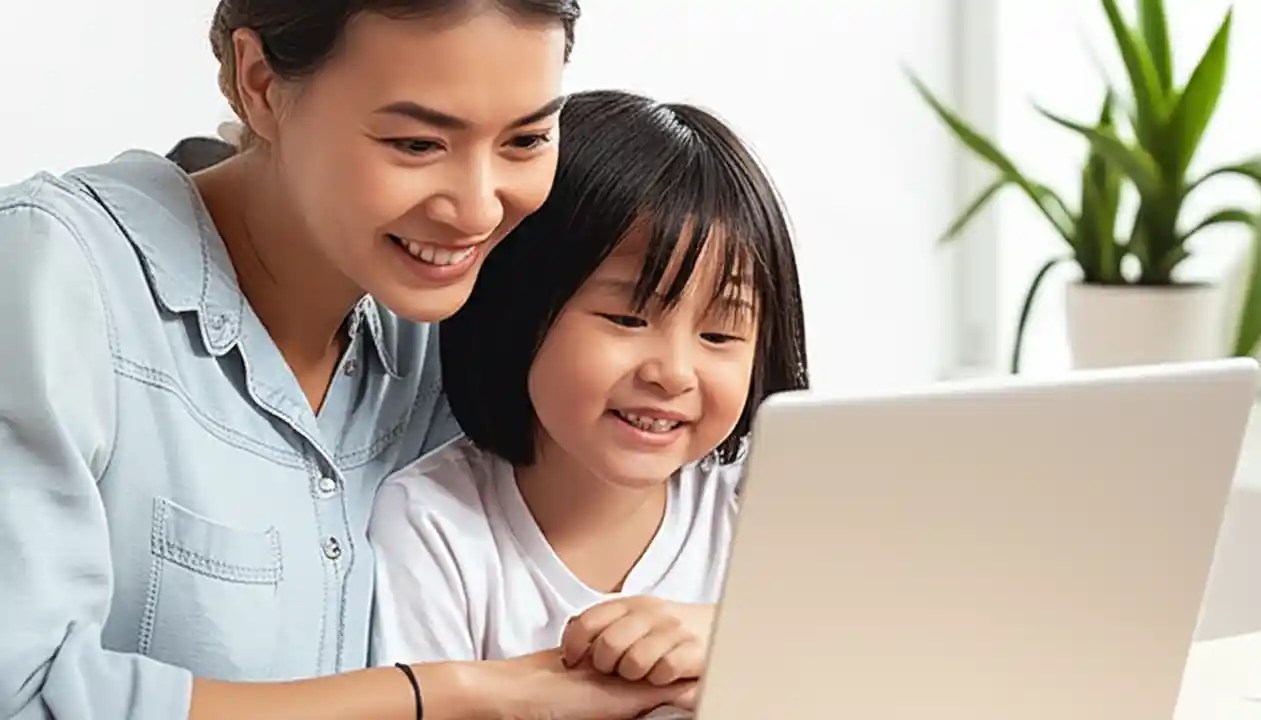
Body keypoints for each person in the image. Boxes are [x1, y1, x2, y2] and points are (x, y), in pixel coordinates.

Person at [0, 2, 697, 718]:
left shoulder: (471, 320)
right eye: (418, 144)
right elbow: (19, 694)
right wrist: (454, 695)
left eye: (525, 140)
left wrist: (721, 632)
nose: (478, 209)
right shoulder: (49, 276)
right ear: (261, 83)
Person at [367, 89, 809, 708]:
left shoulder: (761, 512)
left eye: (719, 334)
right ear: (519, 309)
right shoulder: (434, 522)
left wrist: (735, 637)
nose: (674, 373)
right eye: (627, 319)